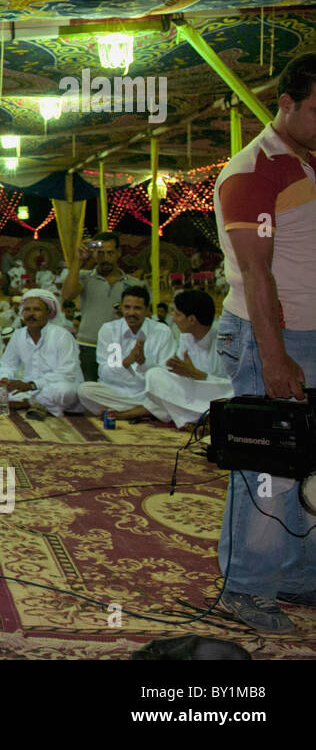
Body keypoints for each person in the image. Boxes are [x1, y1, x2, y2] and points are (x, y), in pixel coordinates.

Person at [211, 53, 316, 634]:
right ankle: (247, 588)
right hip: (266, 336)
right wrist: (274, 358)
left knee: (308, 464)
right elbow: (256, 273)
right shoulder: (254, 169)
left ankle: (298, 575)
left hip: (311, 333)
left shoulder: (307, 164)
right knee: (268, 465)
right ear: (286, 103)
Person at [133, 289, 234, 430]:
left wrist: (198, 375)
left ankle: (194, 418)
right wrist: (143, 362)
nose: (173, 319)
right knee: (154, 375)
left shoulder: (224, 341)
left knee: (233, 395)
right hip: (193, 395)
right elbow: (172, 372)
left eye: (177, 314)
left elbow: (232, 386)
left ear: (192, 319)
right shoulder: (185, 337)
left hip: (217, 397)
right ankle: (199, 419)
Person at [76, 285, 176, 420]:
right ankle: (144, 411)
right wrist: (126, 361)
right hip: (116, 391)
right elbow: (104, 372)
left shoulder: (162, 332)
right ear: (121, 308)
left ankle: (125, 414)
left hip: (147, 392)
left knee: (172, 393)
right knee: (84, 391)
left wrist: (144, 363)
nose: (131, 313)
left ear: (147, 310)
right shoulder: (109, 330)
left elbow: (166, 375)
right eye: (127, 307)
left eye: (137, 308)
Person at [0, 290, 82, 419]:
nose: (31, 314)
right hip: (27, 388)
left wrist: (32, 385)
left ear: (49, 313)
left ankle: (26, 402)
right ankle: (31, 401)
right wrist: (4, 380)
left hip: (53, 385)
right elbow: (7, 365)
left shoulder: (62, 336)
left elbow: (67, 374)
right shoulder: (18, 335)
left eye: (37, 310)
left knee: (64, 390)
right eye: (27, 310)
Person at [61, 232, 147, 382]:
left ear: (118, 253)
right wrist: (77, 260)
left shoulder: (133, 284)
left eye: (110, 253)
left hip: (119, 345)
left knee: (115, 389)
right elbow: (67, 295)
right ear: (93, 254)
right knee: (87, 390)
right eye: (100, 253)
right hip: (88, 345)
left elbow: (145, 316)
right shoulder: (84, 277)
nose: (105, 258)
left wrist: (127, 314)